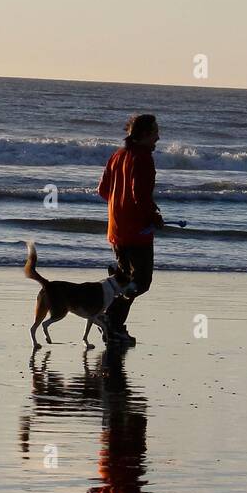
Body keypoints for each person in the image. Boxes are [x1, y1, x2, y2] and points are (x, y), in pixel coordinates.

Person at [98, 113, 163, 343]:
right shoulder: (143, 158)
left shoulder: (118, 155)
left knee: (127, 278)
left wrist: (120, 206)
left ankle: (113, 325)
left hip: (116, 229)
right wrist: (153, 217)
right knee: (141, 282)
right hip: (137, 233)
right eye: (155, 132)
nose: (158, 136)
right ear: (144, 134)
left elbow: (103, 191)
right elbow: (139, 195)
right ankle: (111, 318)